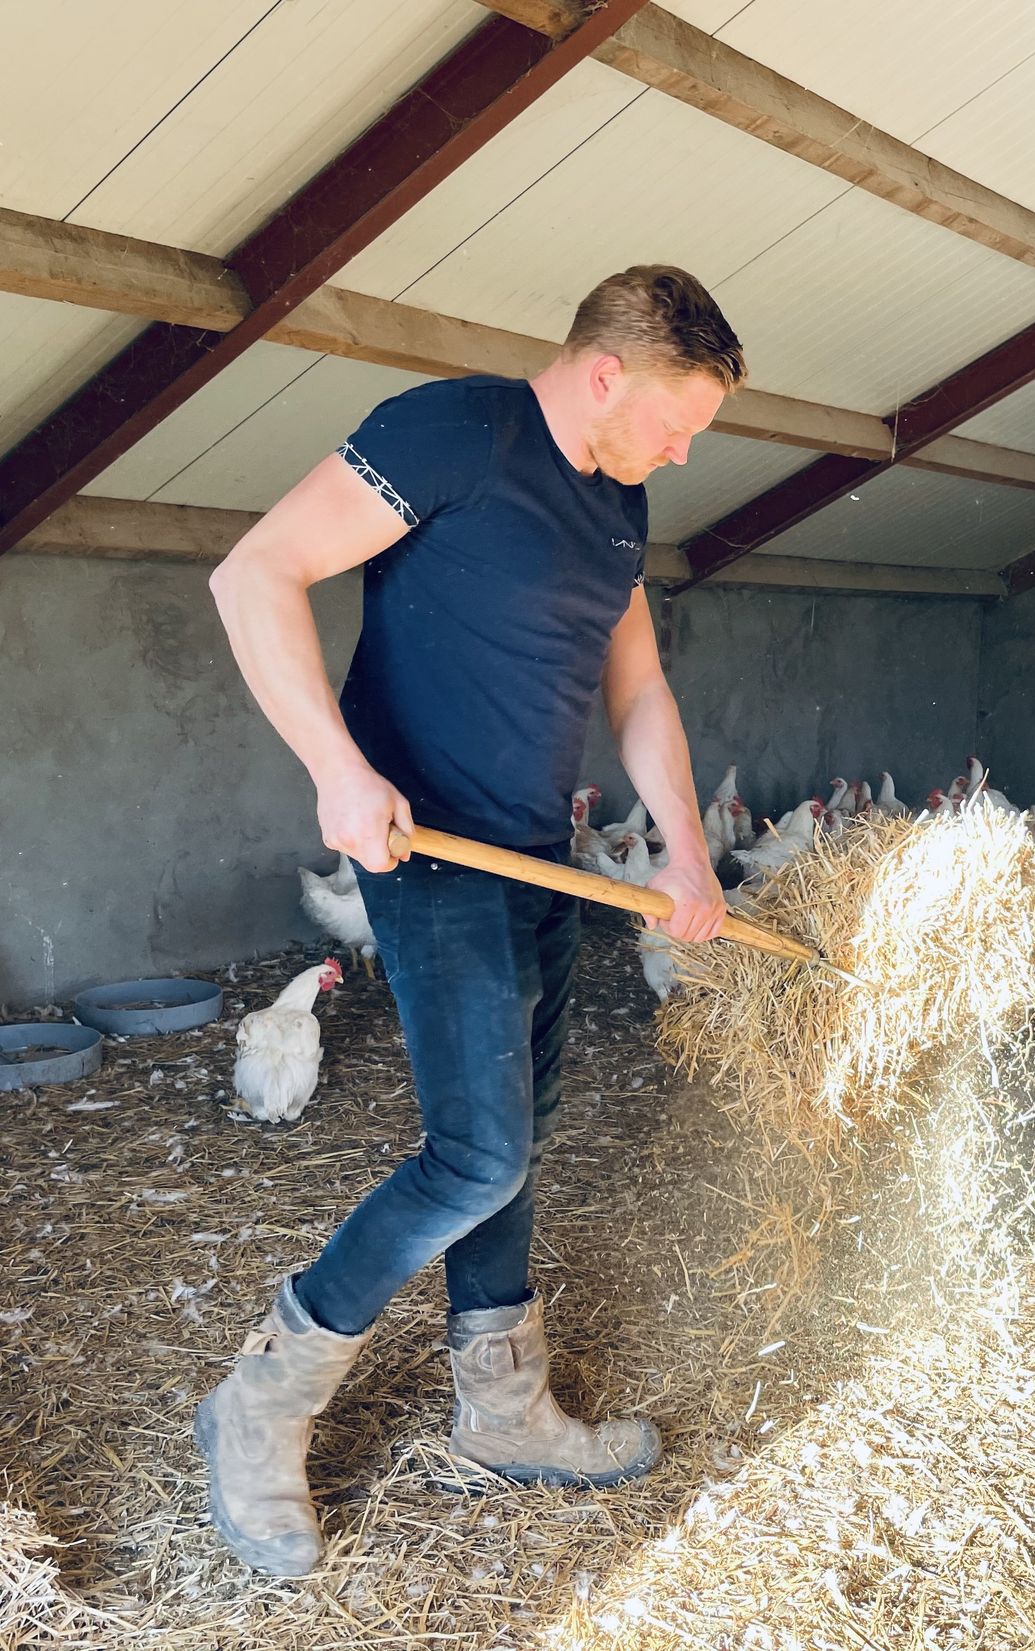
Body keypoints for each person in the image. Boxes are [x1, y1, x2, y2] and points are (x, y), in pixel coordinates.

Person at [199, 266, 743, 1577]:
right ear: (606, 373)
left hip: (540, 864)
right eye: (679, 418)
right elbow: (254, 572)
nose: (682, 449)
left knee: (519, 1132)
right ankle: (258, 1403)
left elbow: (643, 690)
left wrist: (686, 849)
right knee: (477, 1156)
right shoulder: (455, 434)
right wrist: (337, 766)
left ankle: (502, 1405)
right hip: (424, 849)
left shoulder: (621, 503)